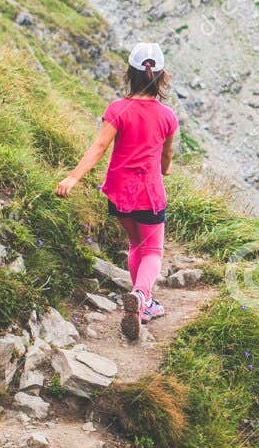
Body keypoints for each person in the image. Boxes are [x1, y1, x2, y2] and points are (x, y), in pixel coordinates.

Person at [56, 41, 178, 340]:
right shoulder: (167, 116)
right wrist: (165, 169)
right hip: (149, 193)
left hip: (119, 192)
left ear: (130, 74)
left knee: (136, 243)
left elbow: (98, 148)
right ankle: (142, 296)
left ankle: (141, 304)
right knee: (153, 249)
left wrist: (73, 178)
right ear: (161, 76)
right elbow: (166, 156)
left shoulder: (117, 109)